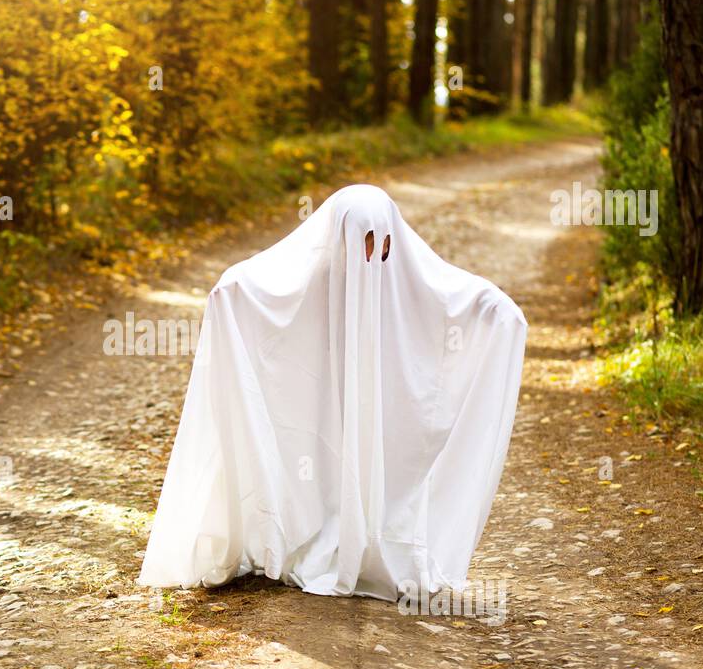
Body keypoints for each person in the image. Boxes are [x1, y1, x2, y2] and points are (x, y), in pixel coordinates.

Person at [138, 184, 527, 600]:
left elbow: (458, 300)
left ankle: (369, 534)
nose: (371, 259)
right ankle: (317, 532)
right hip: (316, 434)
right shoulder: (307, 279)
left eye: (381, 246)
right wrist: (230, 294)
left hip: (380, 425)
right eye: (362, 244)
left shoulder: (404, 280)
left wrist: (501, 314)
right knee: (318, 461)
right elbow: (256, 293)